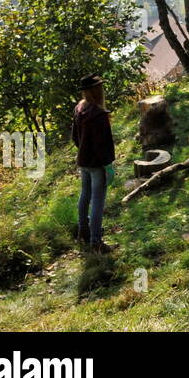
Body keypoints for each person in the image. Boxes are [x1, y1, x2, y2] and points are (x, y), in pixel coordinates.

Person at [71, 73, 116, 253]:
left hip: (84, 161)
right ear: (97, 91)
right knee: (97, 200)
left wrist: (83, 150)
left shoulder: (79, 108)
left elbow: (75, 137)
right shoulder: (98, 114)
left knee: (85, 195)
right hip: (97, 164)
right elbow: (101, 145)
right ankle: (96, 241)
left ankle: (83, 231)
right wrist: (108, 166)